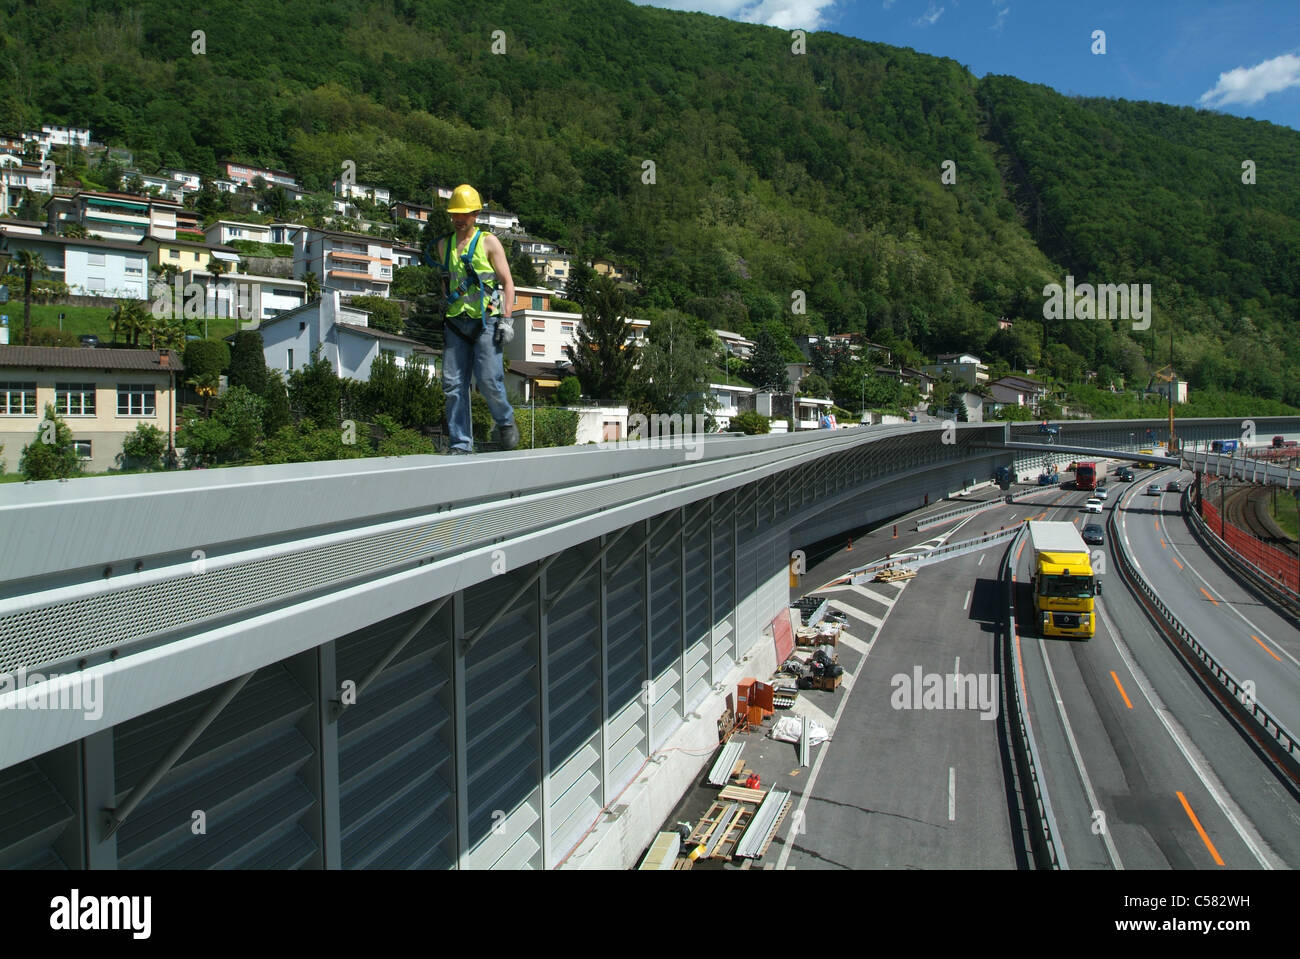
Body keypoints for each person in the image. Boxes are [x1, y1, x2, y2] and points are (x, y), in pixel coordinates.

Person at [425, 184, 519, 454]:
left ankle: (505, 422)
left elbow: (507, 283)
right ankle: (461, 444)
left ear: (476, 213)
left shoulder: (489, 242)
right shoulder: (445, 245)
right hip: (455, 323)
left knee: (489, 379)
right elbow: (447, 282)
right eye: (454, 213)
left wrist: (507, 320)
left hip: (486, 322)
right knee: (453, 384)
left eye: (464, 214)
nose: (458, 218)